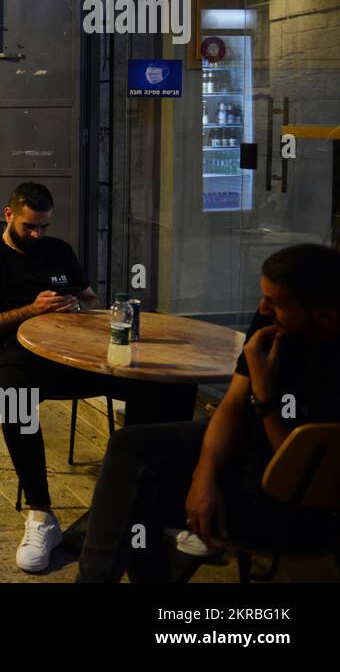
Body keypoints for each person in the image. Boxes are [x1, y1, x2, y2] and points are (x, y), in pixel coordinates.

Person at [0, 182, 195, 573]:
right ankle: (41, 515)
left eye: (44, 226)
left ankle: (156, 512)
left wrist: (77, 305)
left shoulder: (60, 251)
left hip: (80, 355)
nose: (37, 235)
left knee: (169, 383)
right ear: (9, 216)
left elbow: (92, 302)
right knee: (13, 399)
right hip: (25, 360)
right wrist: (30, 309)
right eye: (29, 227)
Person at [76, 244, 340, 582]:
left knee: (139, 496)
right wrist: (205, 476)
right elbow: (232, 403)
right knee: (129, 448)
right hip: (253, 441)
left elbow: (296, 474)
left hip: (297, 495)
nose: (262, 309)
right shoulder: (275, 324)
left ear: (326, 316)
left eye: (275, 303)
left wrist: (264, 394)